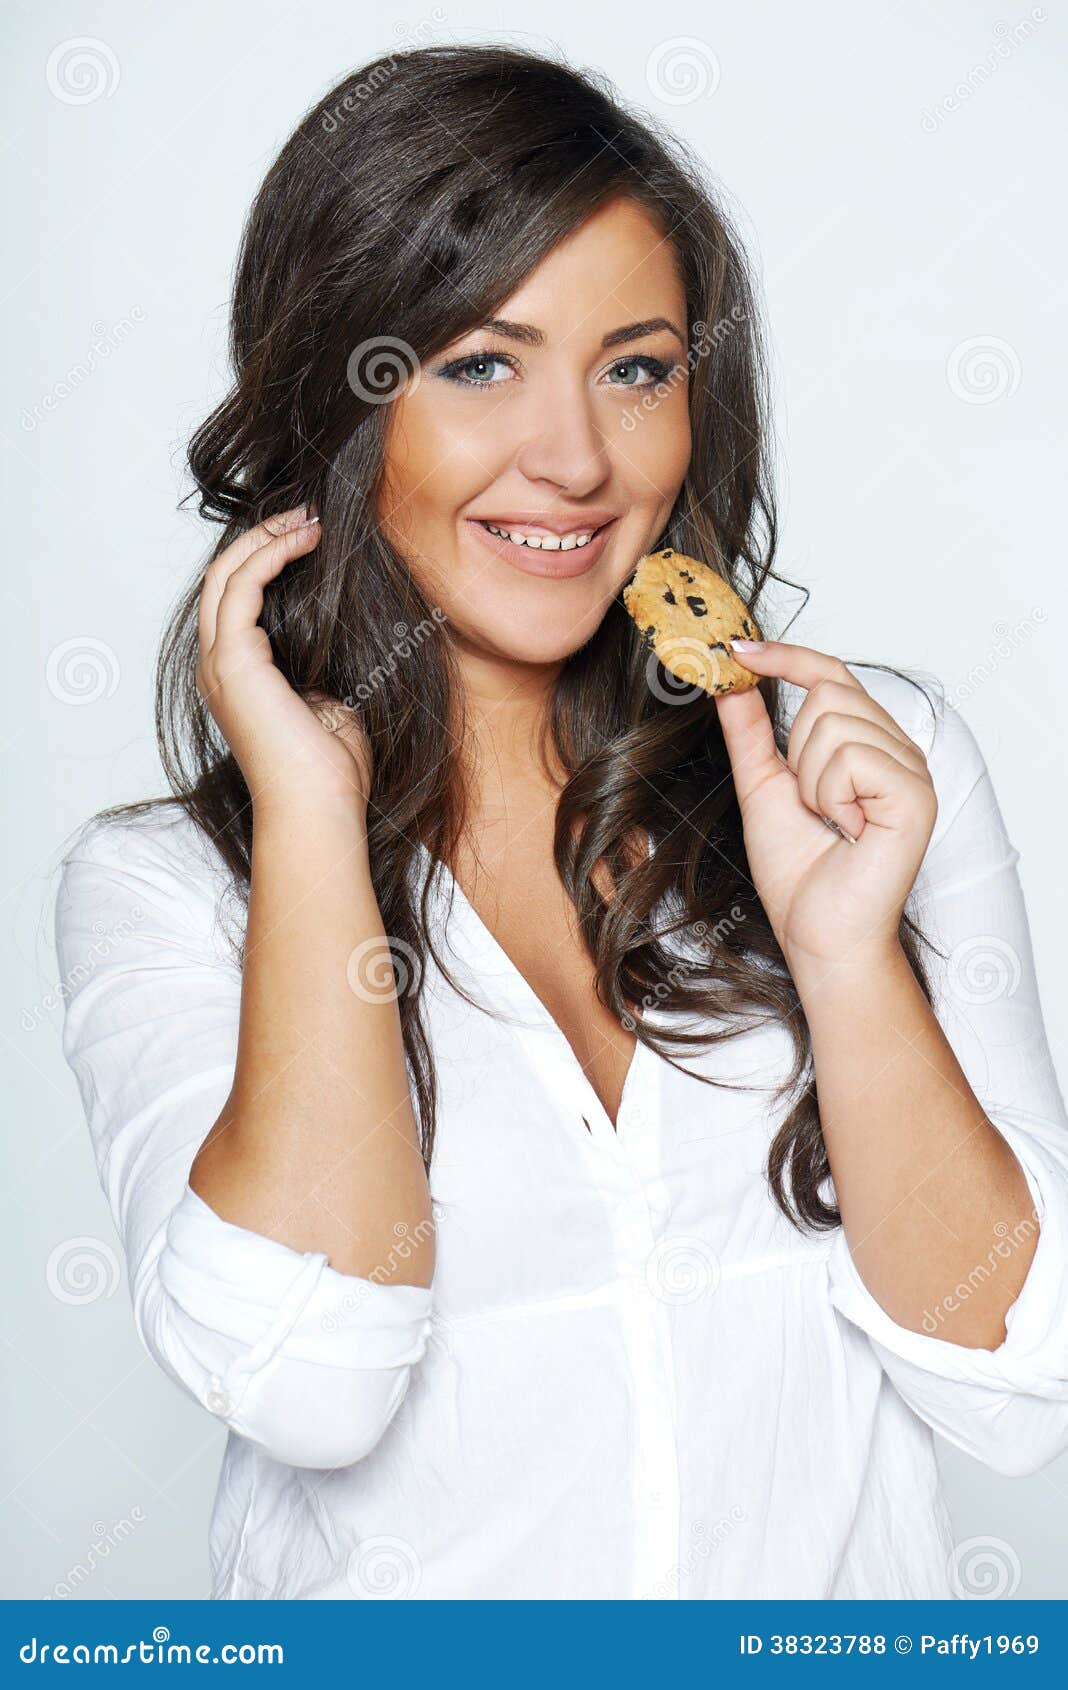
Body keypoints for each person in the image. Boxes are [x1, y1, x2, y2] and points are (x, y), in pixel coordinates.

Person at [54, 43, 1068, 1600]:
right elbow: (310, 1391)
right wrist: (318, 830)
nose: (580, 458)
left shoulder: (874, 772)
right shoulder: (171, 890)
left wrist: (851, 960)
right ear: (345, 396)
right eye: (479, 363)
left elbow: (1012, 1378)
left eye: (636, 366)